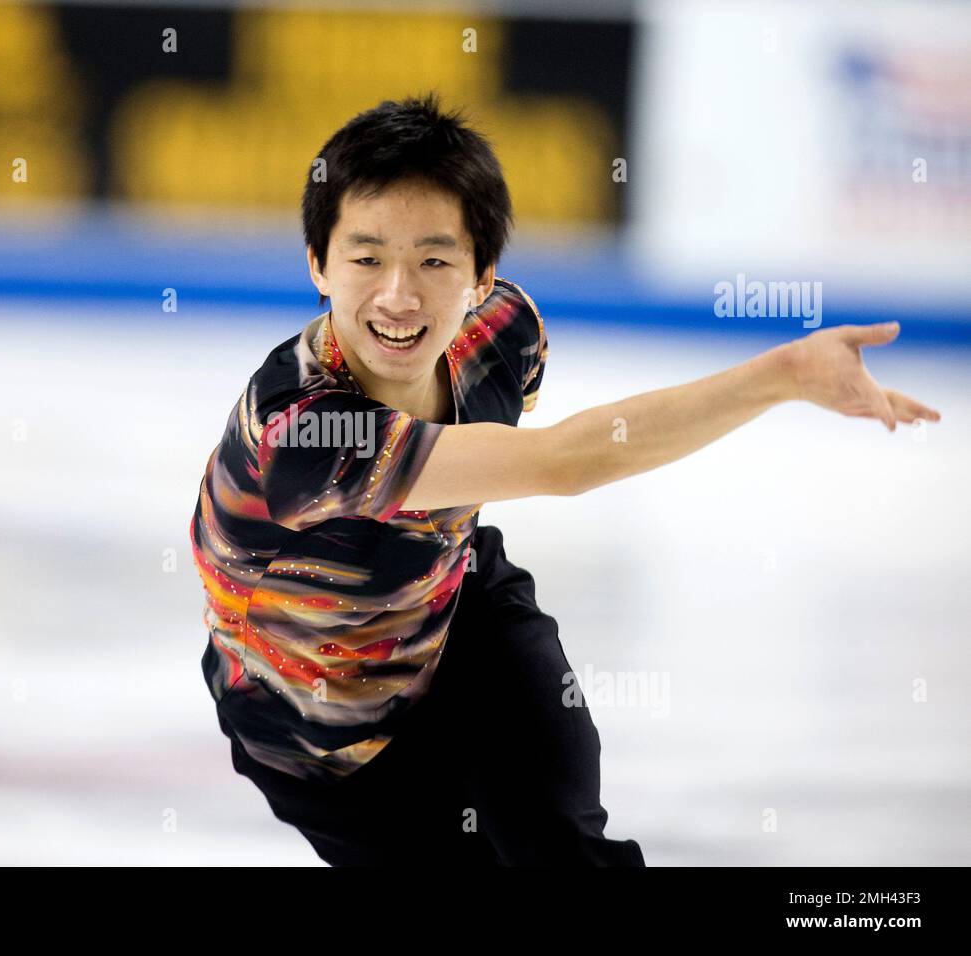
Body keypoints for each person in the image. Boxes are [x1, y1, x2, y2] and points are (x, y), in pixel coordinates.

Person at [189, 92, 941, 866]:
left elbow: (536, 454)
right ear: (318, 263)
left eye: (435, 259)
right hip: (320, 735)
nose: (399, 296)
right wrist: (781, 374)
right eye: (367, 257)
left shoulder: (503, 338)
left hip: (457, 615)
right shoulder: (301, 431)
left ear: (482, 275)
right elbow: (563, 461)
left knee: (566, 851)